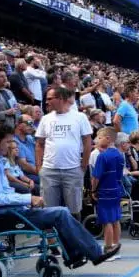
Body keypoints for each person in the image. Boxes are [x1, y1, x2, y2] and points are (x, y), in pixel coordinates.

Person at [0, 122, 119, 266]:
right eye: (8, 142)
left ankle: (75, 254)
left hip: (10, 210)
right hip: (4, 214)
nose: (10, 146)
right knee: (60, 213)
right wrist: (29, 198)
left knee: (62, 212)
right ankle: (94, 253)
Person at [35, 86, 92, 220]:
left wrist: (83, 166)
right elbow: (39, 144)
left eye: (50, 99)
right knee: (48, 211)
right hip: (49, 171)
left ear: (61, 98)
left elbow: (87, 142)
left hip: (72, 170)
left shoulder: (80, 117)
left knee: (74, 210)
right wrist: (39, 168)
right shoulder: (46, 119)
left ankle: (73, 239)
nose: (47, 102)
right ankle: (52, 240)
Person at [91, 127, 124, 258]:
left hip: (105, 191)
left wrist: (93, 190)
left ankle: (108, 248)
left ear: (108, 139)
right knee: (115, 219)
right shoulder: (120, 155)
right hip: (116, 189)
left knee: (107, 221)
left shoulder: (102, 156)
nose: (97, 140)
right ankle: (116, 246)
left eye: (100, 137)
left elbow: (96, 177)